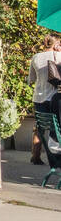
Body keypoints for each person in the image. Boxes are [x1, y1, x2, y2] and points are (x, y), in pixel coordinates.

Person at [28, 33, 61, 165]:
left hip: (38, 97)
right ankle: (54, 159)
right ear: (56, 44)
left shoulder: (35, 57)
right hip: (53, 98)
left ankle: (35, 155)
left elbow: (31, 80)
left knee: (39, 127)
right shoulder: (58, 56)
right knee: (55, 128)